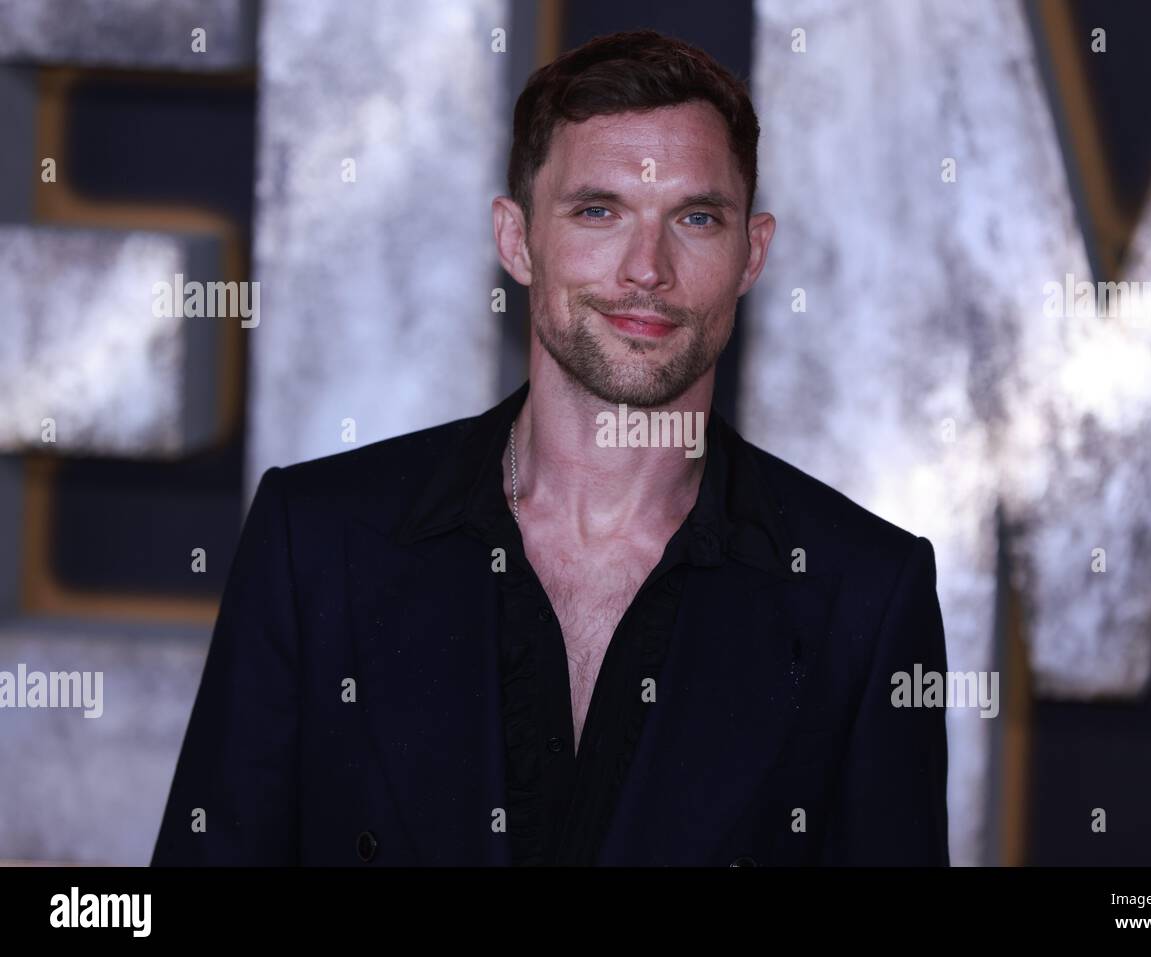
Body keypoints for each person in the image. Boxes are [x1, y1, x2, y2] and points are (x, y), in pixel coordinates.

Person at [152, 28, 949, 867]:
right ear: (516, 238)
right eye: (599, 211)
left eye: (697, 217)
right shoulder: (314, 542)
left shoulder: (863, 595)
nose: (647, 268)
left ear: (751, 255)